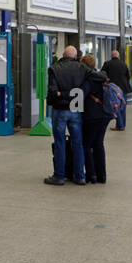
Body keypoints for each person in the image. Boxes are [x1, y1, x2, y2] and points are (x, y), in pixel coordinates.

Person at [44, 46, 88, 185]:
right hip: (76, 107)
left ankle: (59, 176)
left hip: (60, 108)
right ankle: (79, 176)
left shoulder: (54, 68)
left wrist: (53, 100)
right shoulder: (82, 68)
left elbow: (52, 90)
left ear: (63, 55)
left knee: (60, 142)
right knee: (78, 143)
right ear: (75, 56)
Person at [80, 55, 110, 183]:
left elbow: (82, 95)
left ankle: (91, 174)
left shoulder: (88, 79)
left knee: (86, 145)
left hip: (91, 116)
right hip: (103, 115)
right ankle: (102, 176)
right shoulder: (102, 77)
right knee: (98, 144)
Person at [101, 49, 131, 131]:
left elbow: (102, 75)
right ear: (119, 56)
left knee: (115, 106)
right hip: (123, 88)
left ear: (111, 56)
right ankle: (122, 125)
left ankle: (120, 126)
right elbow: (128, 76)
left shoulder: (107, 64)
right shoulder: (124, 64)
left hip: (113, 89)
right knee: (123, 107)